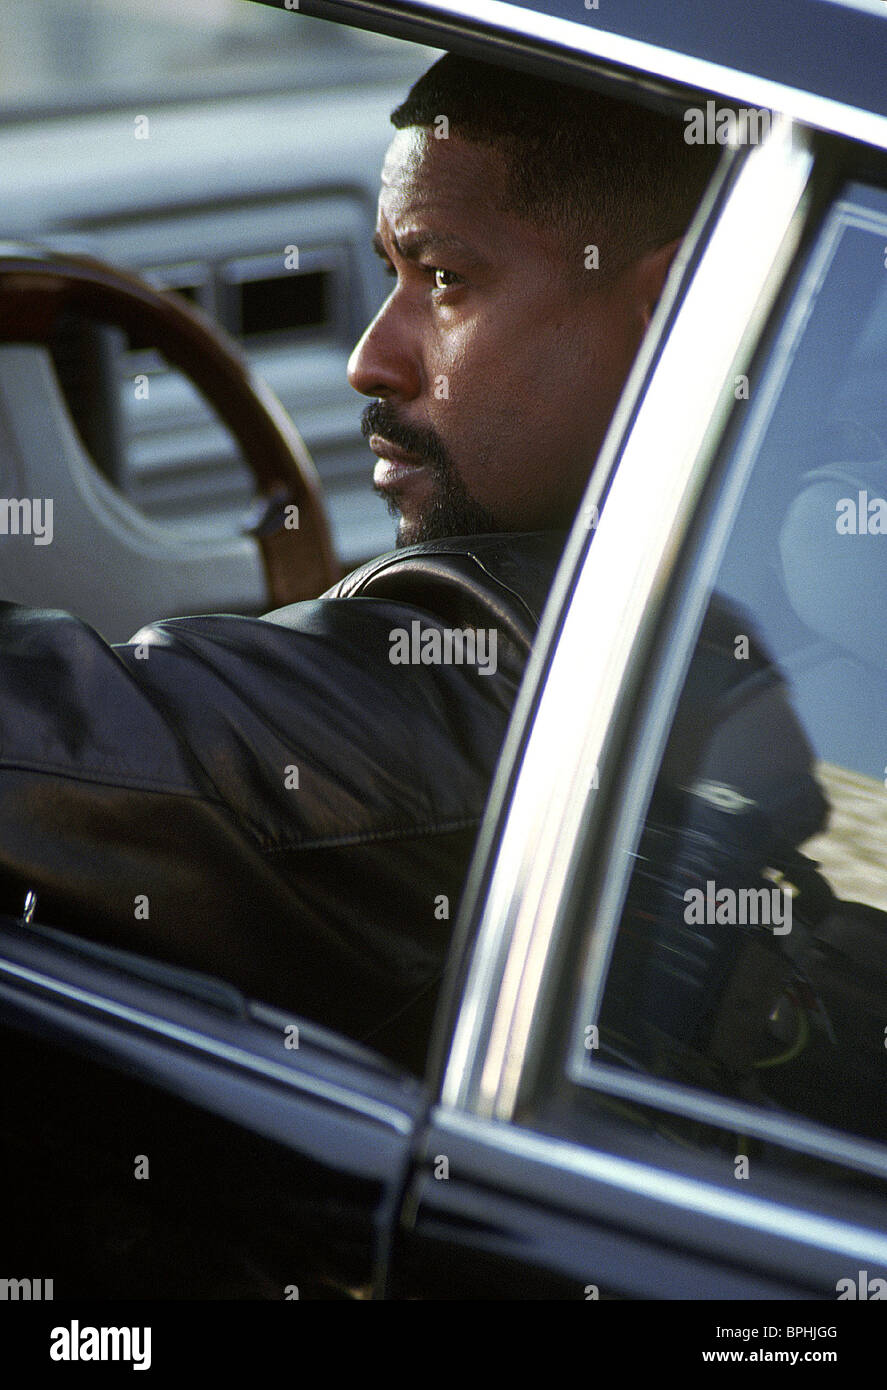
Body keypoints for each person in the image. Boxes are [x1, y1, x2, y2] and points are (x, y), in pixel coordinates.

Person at [0, 56, 718, 1071]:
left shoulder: (484, 691)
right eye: (390, 274)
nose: (368, 360)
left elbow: (58, 753)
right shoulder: (754, 609)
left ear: (672, 315)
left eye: (444, 279)